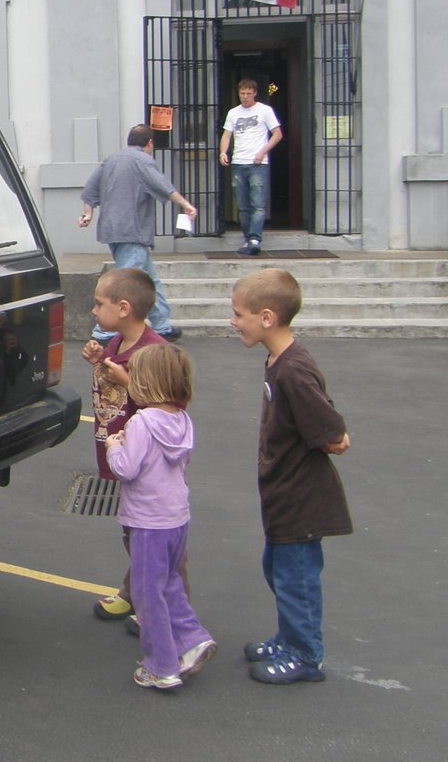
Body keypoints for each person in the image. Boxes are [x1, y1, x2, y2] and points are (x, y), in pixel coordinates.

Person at [229, 268, 353, 685]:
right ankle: (289, 638)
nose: (233, 322)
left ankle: (305, 656)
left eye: (238, 314)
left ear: (267, 318)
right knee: (277, 571)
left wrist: (332, 438)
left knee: (295, 579)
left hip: (302, 500)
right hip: (283, 496)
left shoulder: (294, 371)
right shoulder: (278, 361)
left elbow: (334, 435)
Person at [105, 344, 216, 690]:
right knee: (168, 583)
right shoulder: (181, 420)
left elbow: (126, 469)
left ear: (146, 383)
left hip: (148, 523)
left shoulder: (141, 423)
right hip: (176, 517)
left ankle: (162, 665)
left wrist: (114, 446)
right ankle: (192, 638)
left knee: (146, 593)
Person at [81, 268, 185, 628]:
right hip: (123, 452)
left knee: (157, 534)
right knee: (134, 531)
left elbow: (173, 405)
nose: (94, 311)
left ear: (123, 308)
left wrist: (130, 381)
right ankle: (134, 591)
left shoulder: (155, 352)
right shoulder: (117, 342)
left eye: (99, 304)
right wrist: (98, 360)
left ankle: (170, 605)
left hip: (149, 462)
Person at [78, 124, 198, 342]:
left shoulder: (110, 160)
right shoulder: (143, 161)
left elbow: (90, 189)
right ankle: (105, 331)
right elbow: (164, 187)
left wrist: (87, 215)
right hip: (132, 230)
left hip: (111, 229)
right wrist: (186, 206)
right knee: (124, 283)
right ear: (149, 143)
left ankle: (161, 324)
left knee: (149, 279)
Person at [218, 79, 283, 256]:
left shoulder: (264, 110)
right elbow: (226, 134)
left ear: (255, 93)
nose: (245, 97)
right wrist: (223, 152)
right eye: (242, 94)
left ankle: (255, 239)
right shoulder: (233, 113)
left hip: (257, 163)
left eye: (248, 93)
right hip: (238, 162)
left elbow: (277, 134)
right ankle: (248, 238)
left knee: (258, 204)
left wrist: (262, 152)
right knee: (242, 205)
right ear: (238, 94)